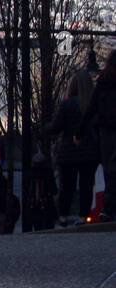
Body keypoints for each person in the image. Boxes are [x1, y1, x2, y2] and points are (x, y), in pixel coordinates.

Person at [49, 71, 99, 226]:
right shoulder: (93, 105)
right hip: (89, 152)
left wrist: (45, 128)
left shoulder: (67, 104)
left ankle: (63, 215)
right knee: (86, 185)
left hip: (69, 151)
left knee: (67, 186)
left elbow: (56, 127)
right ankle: (84, 216)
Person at [81, 50, 116, 220]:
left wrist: (80, 130)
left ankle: (108, 209)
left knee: (110, 170)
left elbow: (91, 108)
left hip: (107, 130)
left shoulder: (103, 82)